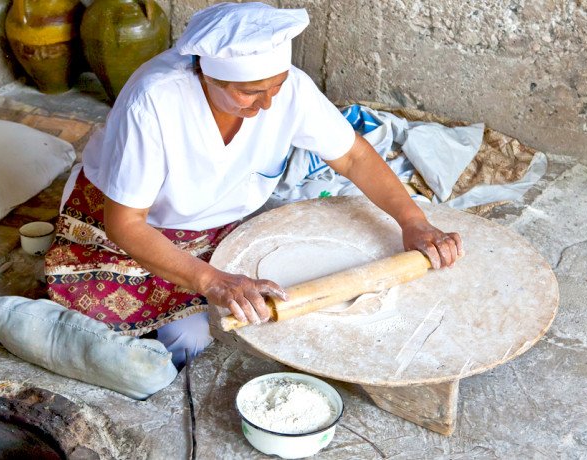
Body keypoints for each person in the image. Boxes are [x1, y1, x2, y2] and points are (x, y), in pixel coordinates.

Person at [44, 2, 463, 368]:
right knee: (189, 340)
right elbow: (126, 224)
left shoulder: (288, 90)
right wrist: (212, 282)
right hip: (128, 229)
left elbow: (353, 156)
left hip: (215, 224)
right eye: (249, 93)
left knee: (287, 298)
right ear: (207, 78)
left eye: (275, 88)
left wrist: (413, 220)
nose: (267, 104)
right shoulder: (154, 101)